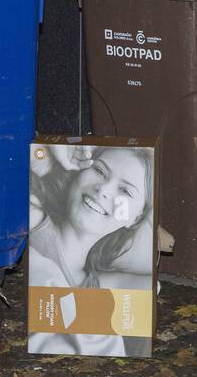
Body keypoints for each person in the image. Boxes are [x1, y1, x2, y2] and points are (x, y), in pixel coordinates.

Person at [27, 145, 154, 355]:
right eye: (100, 171)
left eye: (125, 191)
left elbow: (153, 281)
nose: (103, 189)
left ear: (137, 218)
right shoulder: (34, 216)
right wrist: (46, 159)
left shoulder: (98, 285)